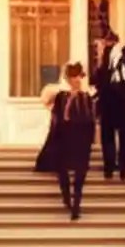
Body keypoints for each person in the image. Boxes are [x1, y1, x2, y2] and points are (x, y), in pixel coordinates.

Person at [42, 62, 96, 220]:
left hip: (81, 138)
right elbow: (56, 117)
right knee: (63, 170)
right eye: (73, 77)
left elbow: (91, 119)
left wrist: (90, 140)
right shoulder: (61, 96)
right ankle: (66, 196)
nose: (76, 80)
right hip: (65, 137)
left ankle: (76, 205)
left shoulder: (87, 97)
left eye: (79, 76)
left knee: (80, 174)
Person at [92, 27, 125, 181]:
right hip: (124, 101)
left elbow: (99, 78)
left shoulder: (111, 54)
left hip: (112, 100)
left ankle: (110, 168)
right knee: (124, 136)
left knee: (109, 135)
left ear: (107, 41)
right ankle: (123, 169)